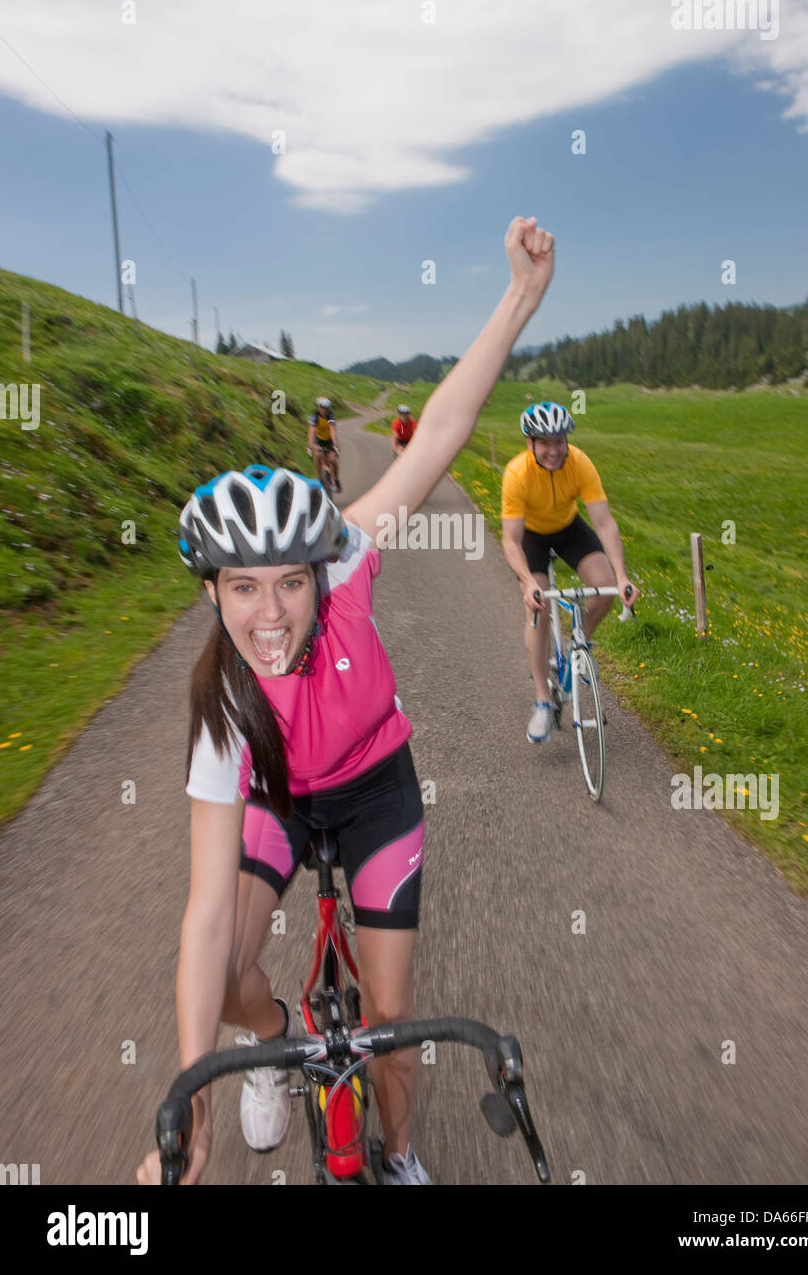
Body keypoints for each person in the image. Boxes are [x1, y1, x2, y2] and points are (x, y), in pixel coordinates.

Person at [136, 215, 556, 1187]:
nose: (271, 612)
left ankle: (399, 1151)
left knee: (391, 1028)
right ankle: (276, 1040)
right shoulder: (222, 708)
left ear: (323, 571)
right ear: (210, 593)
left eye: (290, 581)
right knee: (234, 966)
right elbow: (203, 918)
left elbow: (439, 434)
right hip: (278, 803)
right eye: (243, 588)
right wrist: (192, 1094)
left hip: (375, 790)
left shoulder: (352, 552)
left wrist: (518, 298)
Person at [500, 401, 640, 743]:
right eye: (545, 442)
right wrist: (528, 582)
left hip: (568, 529)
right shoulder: (517, 474)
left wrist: (622, 576)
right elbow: (510, 540)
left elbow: (604, 522)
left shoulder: (579, 463)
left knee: (604, 587)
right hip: (531, 537)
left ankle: (580, 644)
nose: (554, 450)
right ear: (529, 443)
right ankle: (543, 702)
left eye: (559, 441)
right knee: (539, 608)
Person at [308, 397, 342, 492]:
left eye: (326, 408)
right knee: (318, 455)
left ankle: (336, 480)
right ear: (318, 407)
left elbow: (332, 430)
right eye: (322, 407)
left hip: (329, 440)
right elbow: (311, 431)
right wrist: (311, 445)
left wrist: (335, 445)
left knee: (333, 460)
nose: (324, 410)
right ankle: (320, 478)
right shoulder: (314, 417)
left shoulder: (330, 416)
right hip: (318, 440)